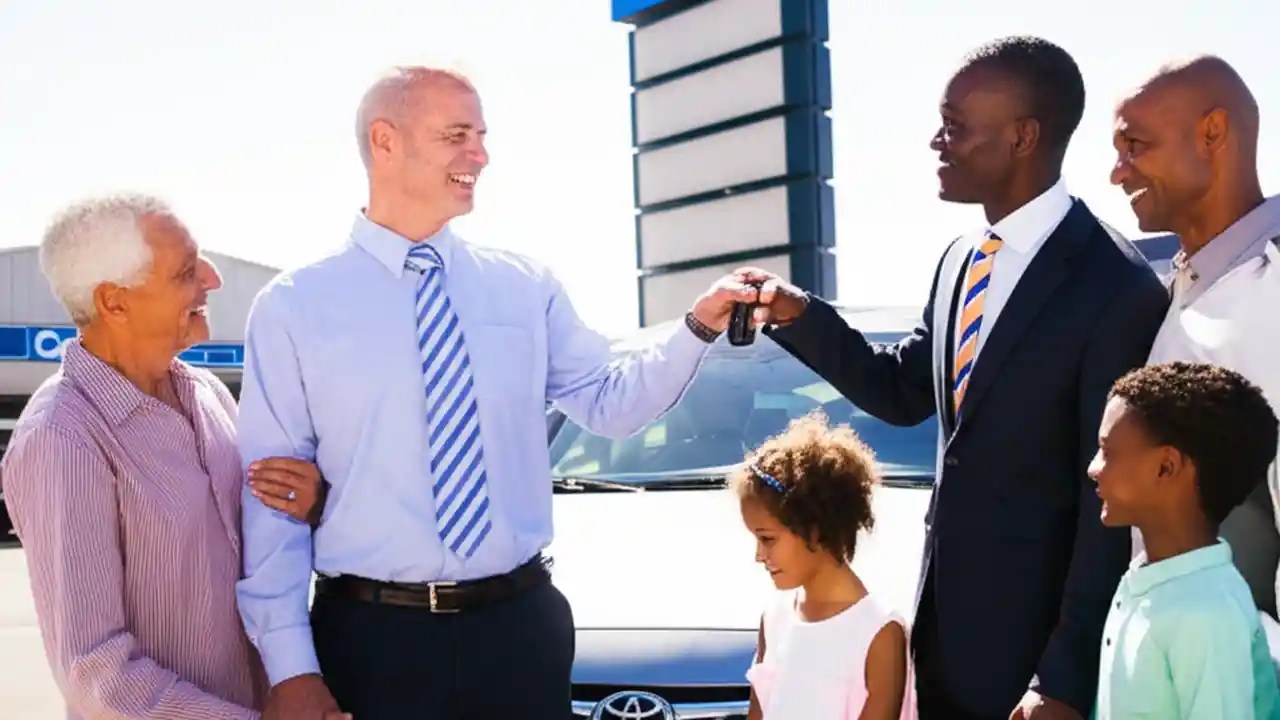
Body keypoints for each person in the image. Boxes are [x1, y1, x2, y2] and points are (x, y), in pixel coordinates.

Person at [234, 66, 759, 720]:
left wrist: (697, 326)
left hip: (519, 633)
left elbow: (611, 401)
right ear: (385, 141)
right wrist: (290, 669)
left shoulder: (523, 287)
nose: (480, 155)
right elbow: (271, 502)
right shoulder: (294, 308)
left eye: (480, 135)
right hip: (371, 643)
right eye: (457, 135)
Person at [740, 36, 1170, 719]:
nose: (937, 142)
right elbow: (904, 391)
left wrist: (1062, 677)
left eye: (955, 127)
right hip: (942, 639)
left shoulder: (1115, 286)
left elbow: (1108, 512)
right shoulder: (960, 261)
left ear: (1024, 136)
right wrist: (799, 315)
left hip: (1034, 663)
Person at [0, 195, 329, 720]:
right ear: (114, 302)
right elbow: (95, 672)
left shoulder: (208, 395)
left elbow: (261, 548)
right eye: (185, 272)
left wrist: (313, 505)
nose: (212, 281)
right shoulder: (62, 438)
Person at [1110, 54, 1280, 622]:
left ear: (1213, 133)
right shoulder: (1176, 291)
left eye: (1134, 145)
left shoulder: (1271, 290)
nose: (1118, 172)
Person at [1089, 361, 1280, 718]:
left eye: (1107, 452)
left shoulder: (1207, 615)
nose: (1093, 468)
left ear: (1166, 467)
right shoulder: (1148, 578)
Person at [736, 413, 914, 720]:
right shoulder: (774, 619)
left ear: (814, 528)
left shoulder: (880, 633)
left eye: (767, 539)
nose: (758, 555)